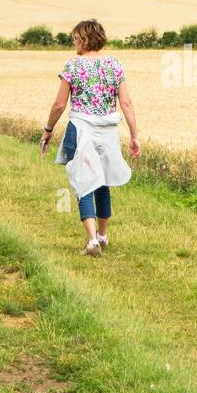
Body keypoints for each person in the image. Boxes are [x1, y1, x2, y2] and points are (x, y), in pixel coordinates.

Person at [39, 19, 140, 256]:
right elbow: (125, 102)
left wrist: (48, 129)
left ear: (84, 39)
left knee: (83, 180)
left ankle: (92, 241)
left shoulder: (73, 66)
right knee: (103, 180)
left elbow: (59, 104)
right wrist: (135, 135)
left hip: (81, 127)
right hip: (108, 130)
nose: (73, 43)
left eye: (75, 38)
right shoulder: (114, 65)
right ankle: (103, 236)